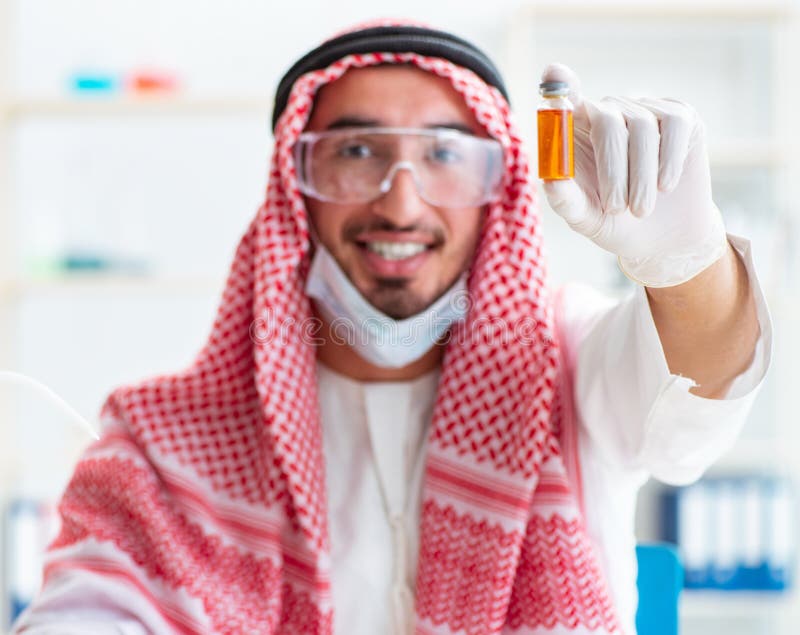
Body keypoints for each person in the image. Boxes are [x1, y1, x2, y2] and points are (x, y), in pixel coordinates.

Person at [13, 20, 770, 635]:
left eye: (445, 154)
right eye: (356, 152)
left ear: (494, 184)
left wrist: (687, 262)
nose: (401, 205)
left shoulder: (567, 362)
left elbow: (693, 418)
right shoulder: (158, 444)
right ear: (295, 185)